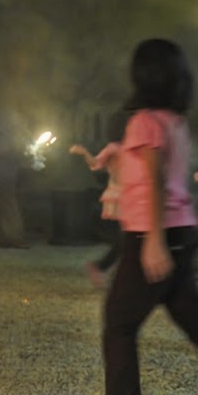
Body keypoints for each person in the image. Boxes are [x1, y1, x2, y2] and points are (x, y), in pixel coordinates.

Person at [103, 38, 198, 395]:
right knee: (197, 323)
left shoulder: (145, 123)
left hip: (152, 233)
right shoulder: (176, 122)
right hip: (181, 231)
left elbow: (156, 180)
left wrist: (153, 241)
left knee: (119, 324)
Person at [69, 111, 125, 289]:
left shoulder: (132, 146)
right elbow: (95, 164)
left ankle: (105, 269)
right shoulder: (114, 148)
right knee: (127, 238)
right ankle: (102, 268)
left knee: (128, 239)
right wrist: (84, 152)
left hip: (132, 197)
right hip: (120, 198)